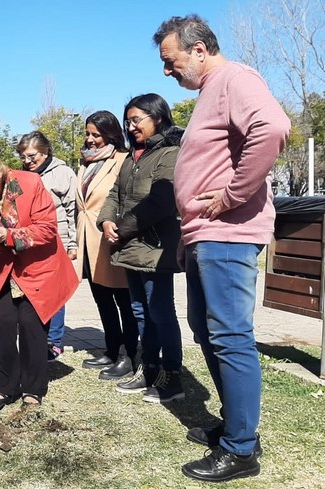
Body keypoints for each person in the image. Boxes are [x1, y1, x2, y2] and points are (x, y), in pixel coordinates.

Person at [154, 15, 290, 482]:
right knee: (206, 330)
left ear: (198, 50)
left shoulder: (234, 78)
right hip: (204, 237)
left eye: (170, 61)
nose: (167, 72)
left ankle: (240, 449)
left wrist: (231, 196)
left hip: (228, 233)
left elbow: (272, 129)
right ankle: (238, 427)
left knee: (229, 336)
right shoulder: (209, 93)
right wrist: (188, 237)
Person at [0, 147, 78, 412]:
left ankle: (33, 389)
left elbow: (47, 230)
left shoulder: (29, 184)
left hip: (38, 268)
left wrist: (10, 236)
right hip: (2, 271)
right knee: (2, 322)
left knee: (31, 325)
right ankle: (4, 387)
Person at [97, 94, 184, 403]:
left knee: (161, 312)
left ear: (157, 118)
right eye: (128, 121)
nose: (131, 127)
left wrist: (122, 229)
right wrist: (106, 221)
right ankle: (149, 368)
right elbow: (114, 195)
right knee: (140, 311)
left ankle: (173, 376)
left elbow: (161, 202)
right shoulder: (133, 156)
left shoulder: (170, 153)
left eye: (137, 120)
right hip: (130, 247)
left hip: (155, 249)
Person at [75, 111, 140, 380]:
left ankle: (129, 353)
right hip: (87, 241)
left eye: (96, 135)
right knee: (101, 298)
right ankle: (111, 349)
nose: (90, 140)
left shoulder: (123, 160)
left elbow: (125, 199)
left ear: (110, 134)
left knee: (123, 300)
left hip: (110, 239)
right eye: (88, 134)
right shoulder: (86, 163)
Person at [16, 131, 77, 361]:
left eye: (32, 156)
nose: (28, 161)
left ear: (45, 151)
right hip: (32, 242)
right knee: (35, 293)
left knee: (55, 294)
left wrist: (74, 242)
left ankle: (54, 341)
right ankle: (36, 337)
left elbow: (73, 209)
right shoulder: (23, 176)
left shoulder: (62, 173)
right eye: (23, 156)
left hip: (57, 240)